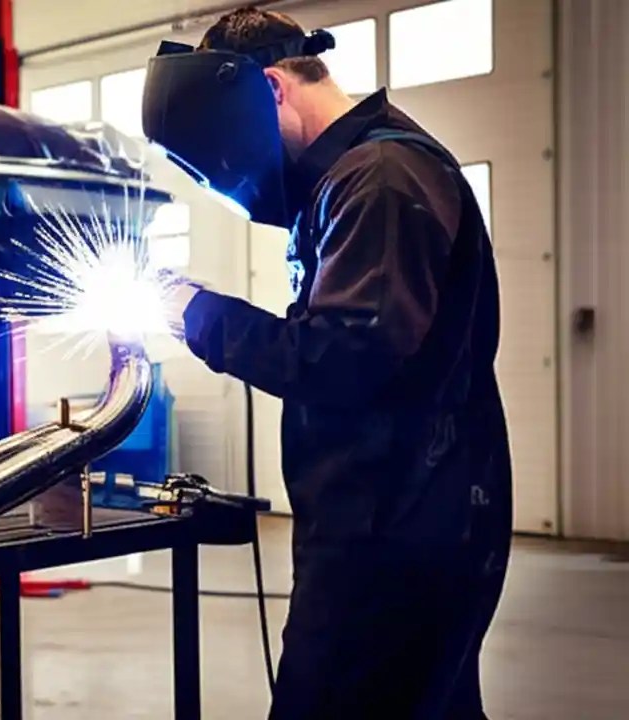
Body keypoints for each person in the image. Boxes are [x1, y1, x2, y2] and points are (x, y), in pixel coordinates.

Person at [143, 8, 513, 719]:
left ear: (273, 89)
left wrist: (194, 310)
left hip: (395, 536)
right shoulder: (358, 177)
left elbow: (343, 357)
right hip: (404, 519)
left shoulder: (379, 179)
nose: (232, 182)